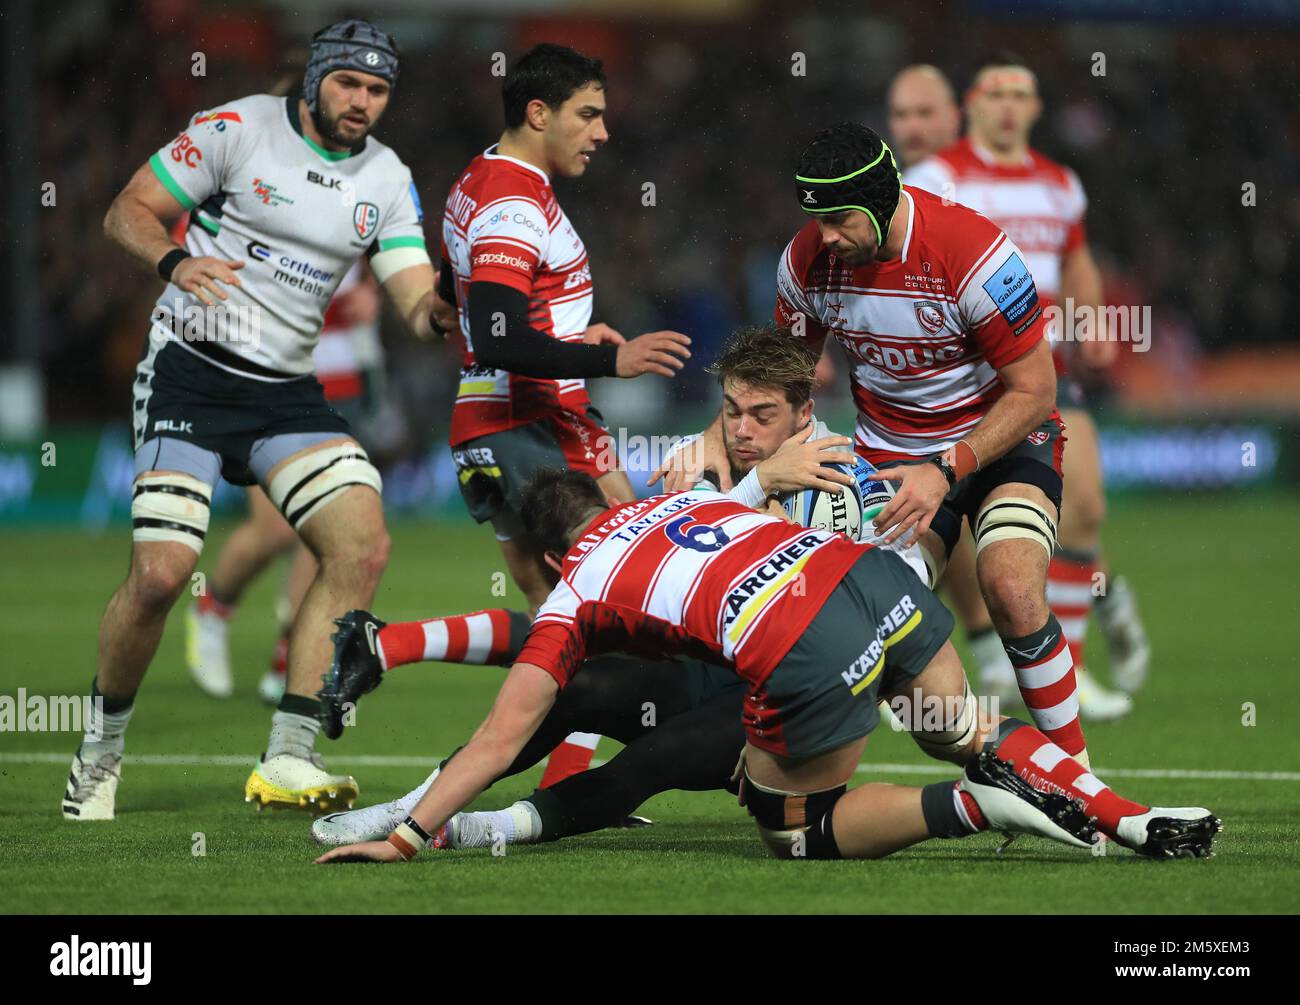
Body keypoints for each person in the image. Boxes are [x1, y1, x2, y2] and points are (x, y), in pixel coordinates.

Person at [314, 470, 1218, 865]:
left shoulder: (573, 587)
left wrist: (408, 832)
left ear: (550, 558)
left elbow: (497, 735)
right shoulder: (676, 503)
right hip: (867, 574)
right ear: (608, 502)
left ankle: (980, 805)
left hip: (800, 641)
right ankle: (1127, 815)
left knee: (792, 825)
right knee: (966, 728)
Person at [311, 324, 917, 849]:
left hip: (788, 700)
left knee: (657, 756)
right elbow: (672, 561)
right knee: (582, 685)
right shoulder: (695, 462)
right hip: (711, 671)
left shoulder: (853, 487)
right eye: (732, 411)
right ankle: (415, 807)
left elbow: (892, 599)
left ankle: (489, 829)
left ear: (804, 413)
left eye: (762, 416)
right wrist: (756, 487)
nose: (741, 430)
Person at [64, 20, 441, 820]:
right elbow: (127, 210)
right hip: (190, 375)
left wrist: (447, 309)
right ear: (314, 79)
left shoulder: (387, 176)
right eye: (348, 83)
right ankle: (97, 755)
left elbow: (412, 294)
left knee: (361, 540)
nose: (362, 102)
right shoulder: (236, 129)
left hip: (286, 393)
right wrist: (173, 260)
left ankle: (288, 758)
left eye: (377, 91)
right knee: (163, 573)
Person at [662, 122, 1094, 771]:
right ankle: (991, 771)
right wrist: (710, 440)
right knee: (884, 634)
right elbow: (782, 378)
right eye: (816, 219)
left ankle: (1075, 779)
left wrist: (947, 469)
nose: (826, 236)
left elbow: (1035, 390)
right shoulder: (806, 262)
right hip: (893, 459)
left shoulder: (973, 253)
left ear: (881, 200)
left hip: (1005, 440)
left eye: (839, 219)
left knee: (1008, 583)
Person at [332, 43, 691, 788]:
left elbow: (448, 299)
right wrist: (605, 360)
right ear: (539, 113)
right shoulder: (513, 202)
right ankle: (478, 787)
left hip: (499, 426)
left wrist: (561, 333)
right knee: (617, 611)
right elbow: (496, 330)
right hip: (530, 429)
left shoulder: (480, 176)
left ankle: (390, 647)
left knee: (566, 620)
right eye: (588, 115)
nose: (602, 132)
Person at [906, 55, 1149, 711]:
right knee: (944, 521)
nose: (1009, 105)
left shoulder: (1060, 183)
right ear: (973, 106)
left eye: (1022, 94)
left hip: (1042, 366)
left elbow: (1076, 257)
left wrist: (1091, 320)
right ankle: (892, 660)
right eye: (996, 93)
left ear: (1037, 109)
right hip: (964, 372)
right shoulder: (938, 175)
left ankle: (1064, 666)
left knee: (1087, 506)